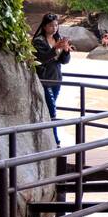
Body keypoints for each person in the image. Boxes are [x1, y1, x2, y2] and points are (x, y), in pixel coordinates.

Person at [31, 14, 71, 145]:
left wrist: (65, 51)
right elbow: (41, 58)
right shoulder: (38, 41)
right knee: (52, 109)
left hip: (56, 78)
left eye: (56, 25)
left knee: (49, 109)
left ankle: (45, 136)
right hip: (44, 79)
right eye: (50, 25)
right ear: (44, 26)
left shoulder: (57, 38)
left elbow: (64, 62)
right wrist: (55, 49)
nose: (54, 28)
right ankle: (56, 142)